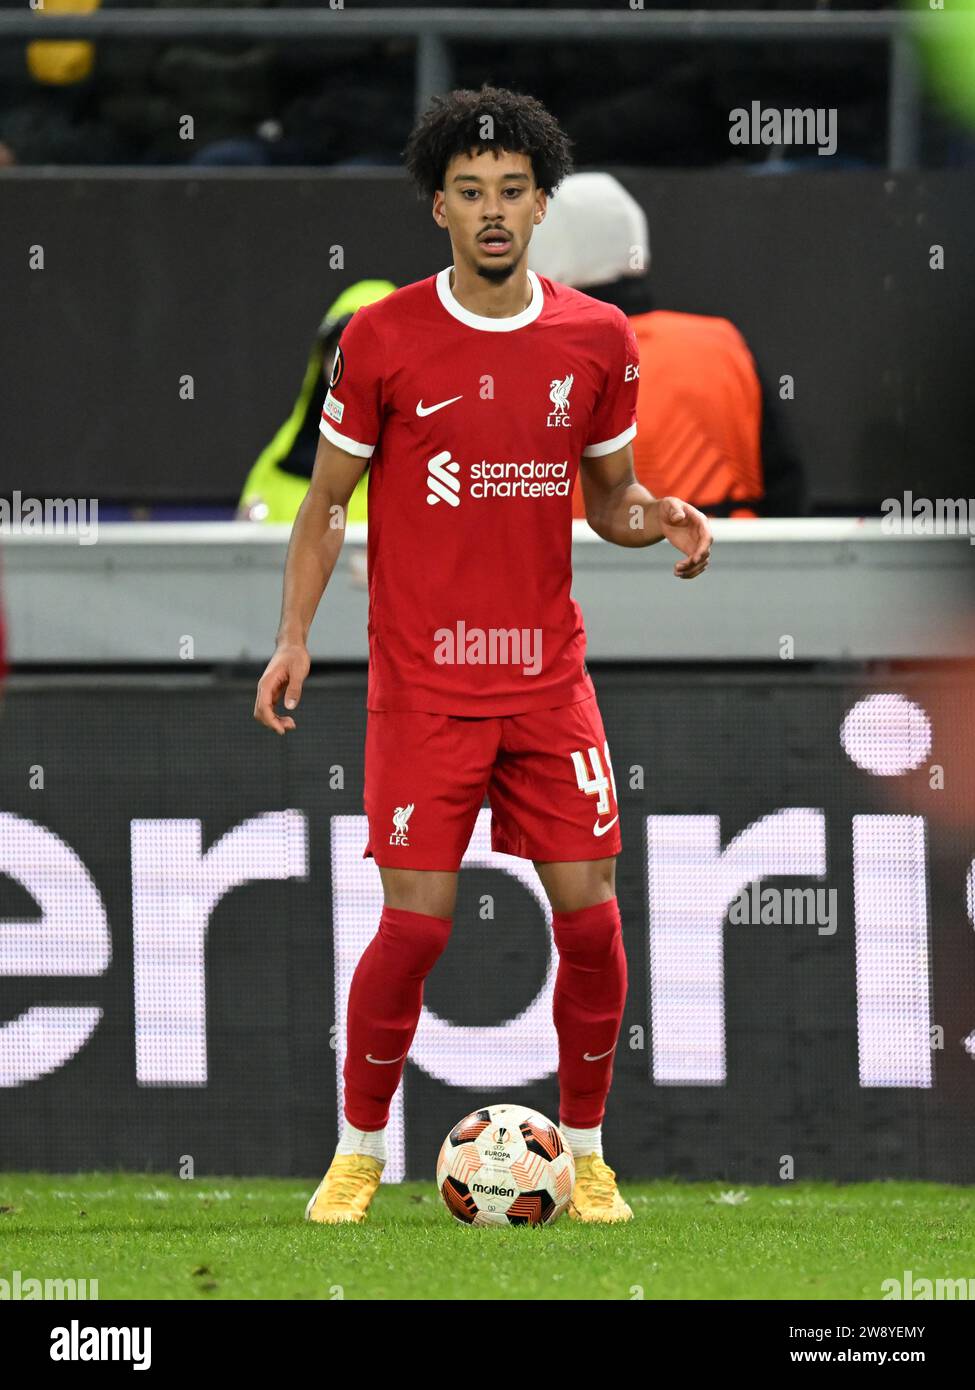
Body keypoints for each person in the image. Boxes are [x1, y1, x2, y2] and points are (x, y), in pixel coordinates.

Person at [253, 85, 712, 1225]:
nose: (494, 211)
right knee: (413, 928)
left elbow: (609, 504)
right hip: (424, 689)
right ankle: (360, 1153)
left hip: (548, 681)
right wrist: (295, 637)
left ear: (543, 202)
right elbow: (324, 508)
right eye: (471, 193)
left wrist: (666, 517)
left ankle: (591, 1156)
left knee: (594, 919)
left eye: (513, 191)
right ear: (439, 208)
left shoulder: (597, 339)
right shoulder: (384, 338)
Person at [529, 171, 806, 517]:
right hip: (727, 564)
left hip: (588, 566)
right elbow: (785, 486)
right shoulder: (723, 345)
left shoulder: (528, 370)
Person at [238, 280, 396, 524]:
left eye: (368, 351)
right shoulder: (277, 463)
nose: (347, 367)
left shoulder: (433, 466)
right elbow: (244, 557)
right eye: (336, 351)